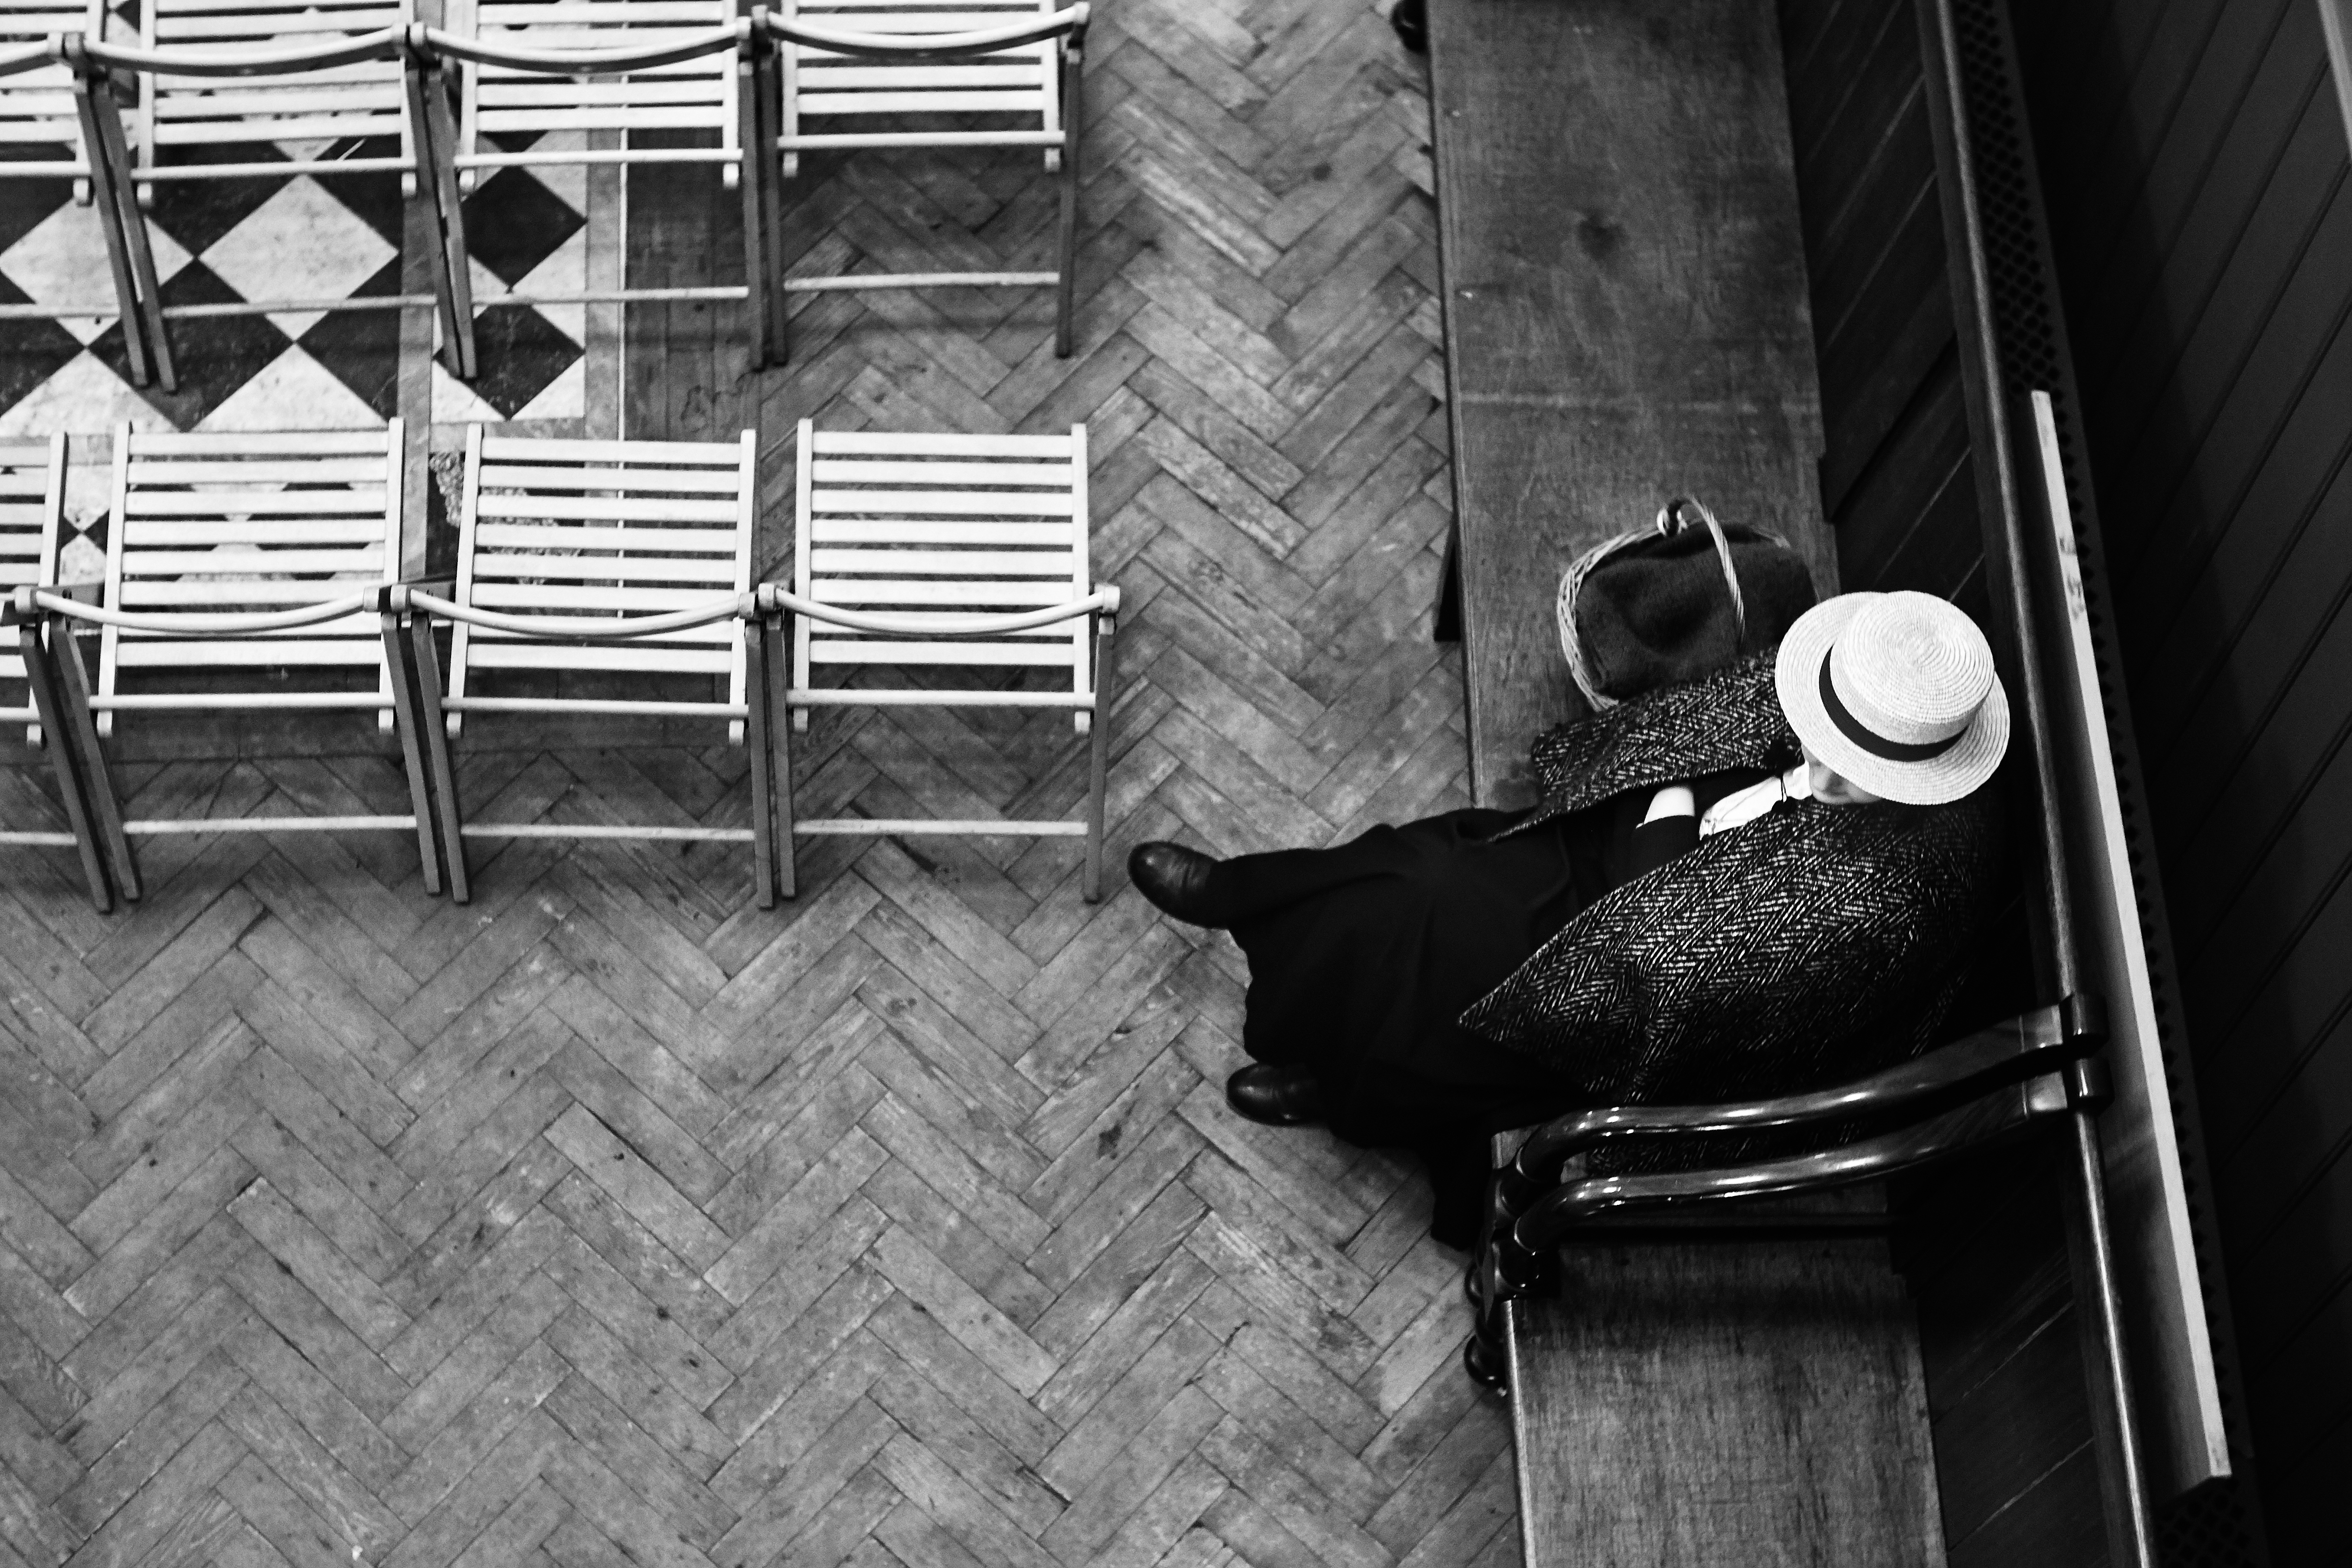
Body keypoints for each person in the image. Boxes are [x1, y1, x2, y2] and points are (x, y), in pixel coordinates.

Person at [1128, 590, 2012, 1246]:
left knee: (1453, 997)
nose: (1820, 769)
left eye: (1853, 772)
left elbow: (1687, 975)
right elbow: (1692, 721)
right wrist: (1666, 801)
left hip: (1636, 997)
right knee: (1427, 879)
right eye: (1824, 739)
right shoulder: (1862, 666)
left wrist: (1669, 811)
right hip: (1622, 854)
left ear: (1919, 773)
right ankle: (1250, 902)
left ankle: (1345, 1091)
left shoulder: (1894, 897)